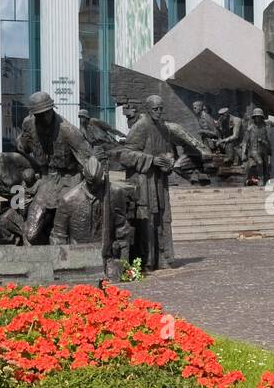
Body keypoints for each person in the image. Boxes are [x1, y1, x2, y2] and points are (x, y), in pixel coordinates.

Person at [120, 95, 209, 270]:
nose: (159, 112)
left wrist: (169, 159)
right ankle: (146, 260)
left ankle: (162, 257)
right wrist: (151, 160)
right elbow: (125, 155)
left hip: (160, 180)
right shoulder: (140, 126)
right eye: (155, 109)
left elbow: (169, 150)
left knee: (162, 219)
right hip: (144, 181)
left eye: (161, 109)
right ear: (148, 109)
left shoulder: (163, 127)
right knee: (147, 219)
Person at [16, 91, 90, 244]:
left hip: (69, 181)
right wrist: (23, 141)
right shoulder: (28, 124)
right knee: (30, 233)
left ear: (52, 110)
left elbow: (90, 161)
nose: (43, 118)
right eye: (38, 115)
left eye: (45, 113)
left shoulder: (68, 131)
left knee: (67, 229)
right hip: (45, 180)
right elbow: (22, 146)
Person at [50, 155, 132, 252]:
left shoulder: (115, 193)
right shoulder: (68, 200)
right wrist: (62, 262)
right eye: (90, 183)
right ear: (83, 174)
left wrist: (122, 261)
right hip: (78, 256)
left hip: (106, 256)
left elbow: (122, 228)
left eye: (96, 183)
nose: (93, 187)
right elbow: (58, 236)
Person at [242, 108, 272, 185]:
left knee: (266, 165)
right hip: (254, 150)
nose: (257, 118)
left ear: (261, 117)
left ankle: (266, 179)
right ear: (254, 118)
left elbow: (268, 140)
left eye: (259, 117)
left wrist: (265, 143)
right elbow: (245, 141)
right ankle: (260, 179)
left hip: (263, 150)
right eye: (256, 117)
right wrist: (243, 153)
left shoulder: (264, 128)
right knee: (260, 162)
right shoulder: (250, 128)